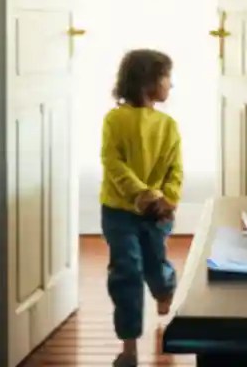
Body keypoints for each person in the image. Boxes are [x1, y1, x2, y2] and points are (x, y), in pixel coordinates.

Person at [99, 48, 183, 367]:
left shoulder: (168, 125)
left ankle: (165, 288)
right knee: (127, 271)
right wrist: (141, 193)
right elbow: (112, 162)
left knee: (154, 264)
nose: (170, 86)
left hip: (157, 213)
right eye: (167, 78)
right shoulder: (115, 120)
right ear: (148, 81)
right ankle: (129, 344)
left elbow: (176, 168)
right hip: (119, 212)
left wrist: (167, 197)